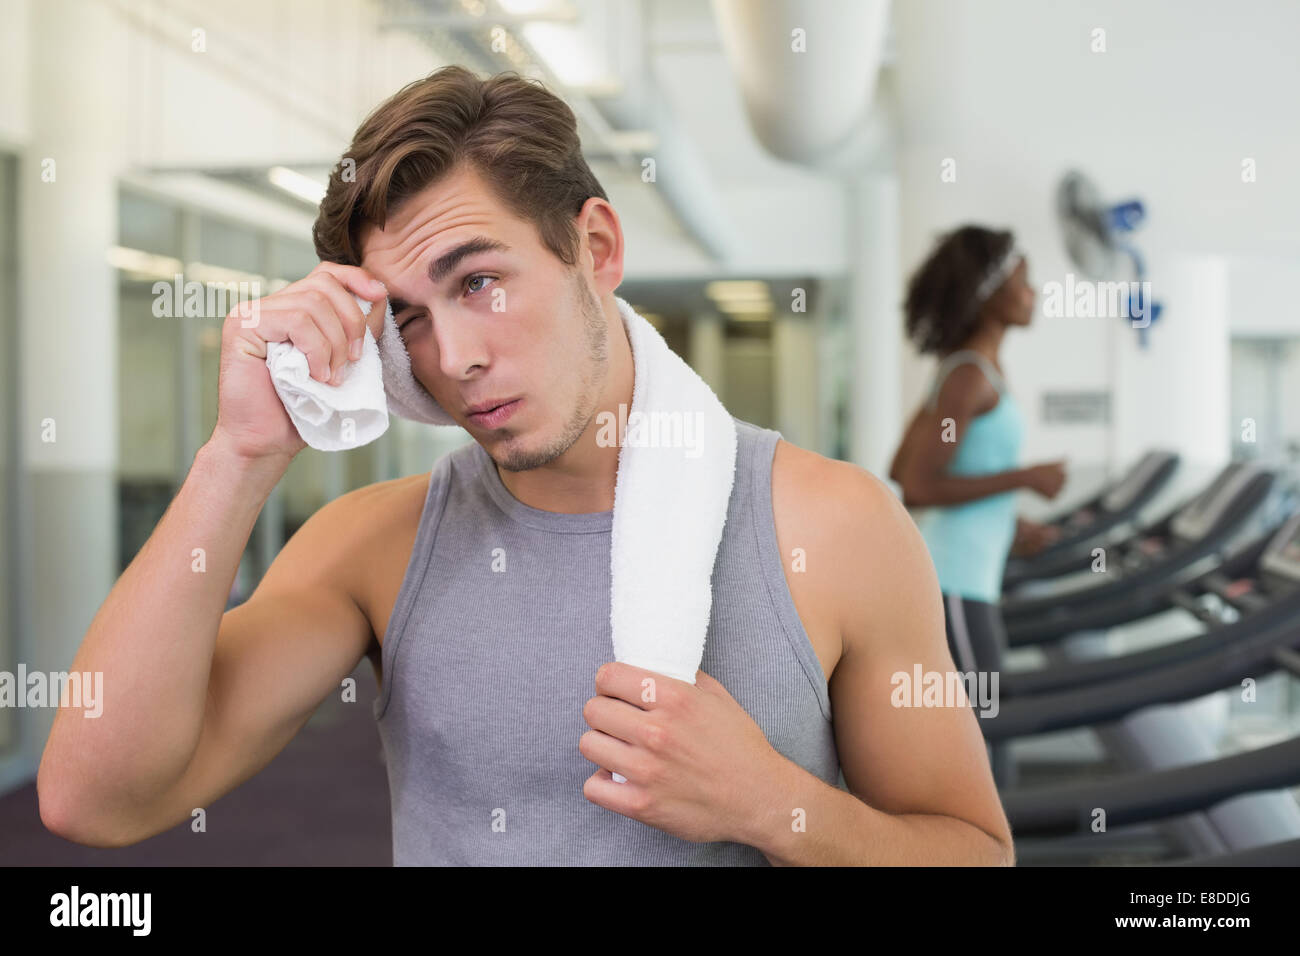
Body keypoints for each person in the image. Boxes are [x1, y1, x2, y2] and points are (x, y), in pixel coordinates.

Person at [38, 67, 1013, 866]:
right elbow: (93, 798)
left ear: (594, 246)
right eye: (409, 317)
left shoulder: (831, 524)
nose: (453, 354)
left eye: (480, 281)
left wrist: (777, 805)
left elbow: (972, 849)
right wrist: (238, 453)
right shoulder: (373, 544)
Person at [890, 226, 1066, 694]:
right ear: (989, 294)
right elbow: (916, 484)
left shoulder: (965, 369)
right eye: (1023, 281)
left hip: (964, 579)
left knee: (985, 728)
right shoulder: (968, 376)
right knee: (983, 728)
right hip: (955, 583)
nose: (1034, 293)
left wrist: (1007, 522)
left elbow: (898, 465)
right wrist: (1023, 477)